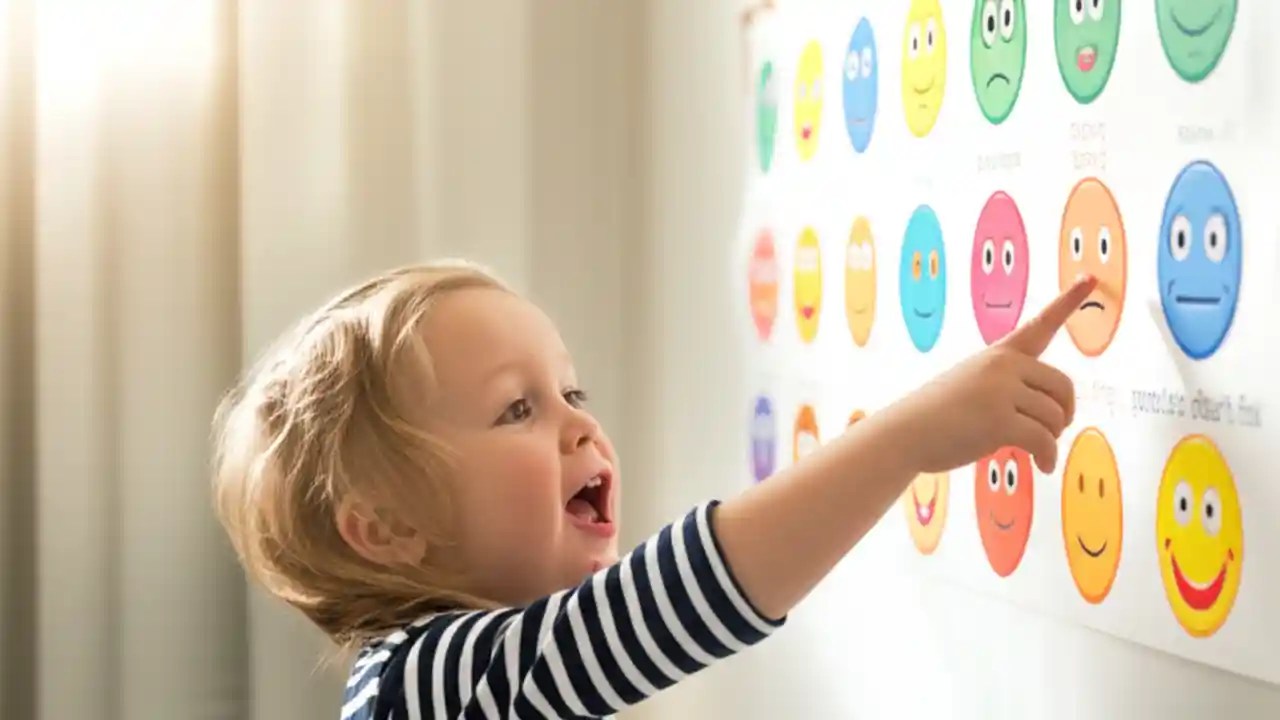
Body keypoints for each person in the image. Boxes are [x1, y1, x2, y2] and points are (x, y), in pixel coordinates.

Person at [211, 260, 1097, 719]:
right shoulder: (430, 684)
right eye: (516, 409)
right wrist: (911, 434)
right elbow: (686, 594)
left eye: (573, 392)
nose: (579, 426)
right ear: (389, 529)